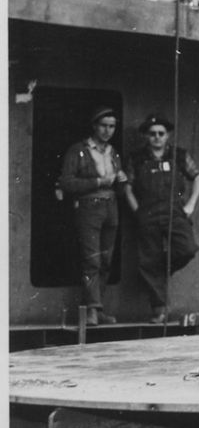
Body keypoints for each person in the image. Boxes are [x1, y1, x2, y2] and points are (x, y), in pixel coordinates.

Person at [125, 114, 199, 323]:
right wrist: (137, 212)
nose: (157, 138)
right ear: (146, 136)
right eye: (152, 134)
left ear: (167, 135)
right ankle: (159, 311)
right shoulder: (137, 158)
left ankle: (158, 272)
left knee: (188, 247)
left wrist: (191, 204)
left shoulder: (179, 155)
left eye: (161, 133)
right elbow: (127, 188)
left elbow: (197, 177)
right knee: (149, 260)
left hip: (174, 213)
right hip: (148, 215)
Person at [58, 106, 129, 325]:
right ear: (94, 126)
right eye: (104, 126)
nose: (108, 131)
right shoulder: (78, 150)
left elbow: (118, 184)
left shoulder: (113, 152)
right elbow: (66, 182)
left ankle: (98, 308)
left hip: (111, 207)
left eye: (112, 126)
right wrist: (97, 182)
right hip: (89, 207)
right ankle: (91, 309)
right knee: (92, 260)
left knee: (106, 260)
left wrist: (122, 181)